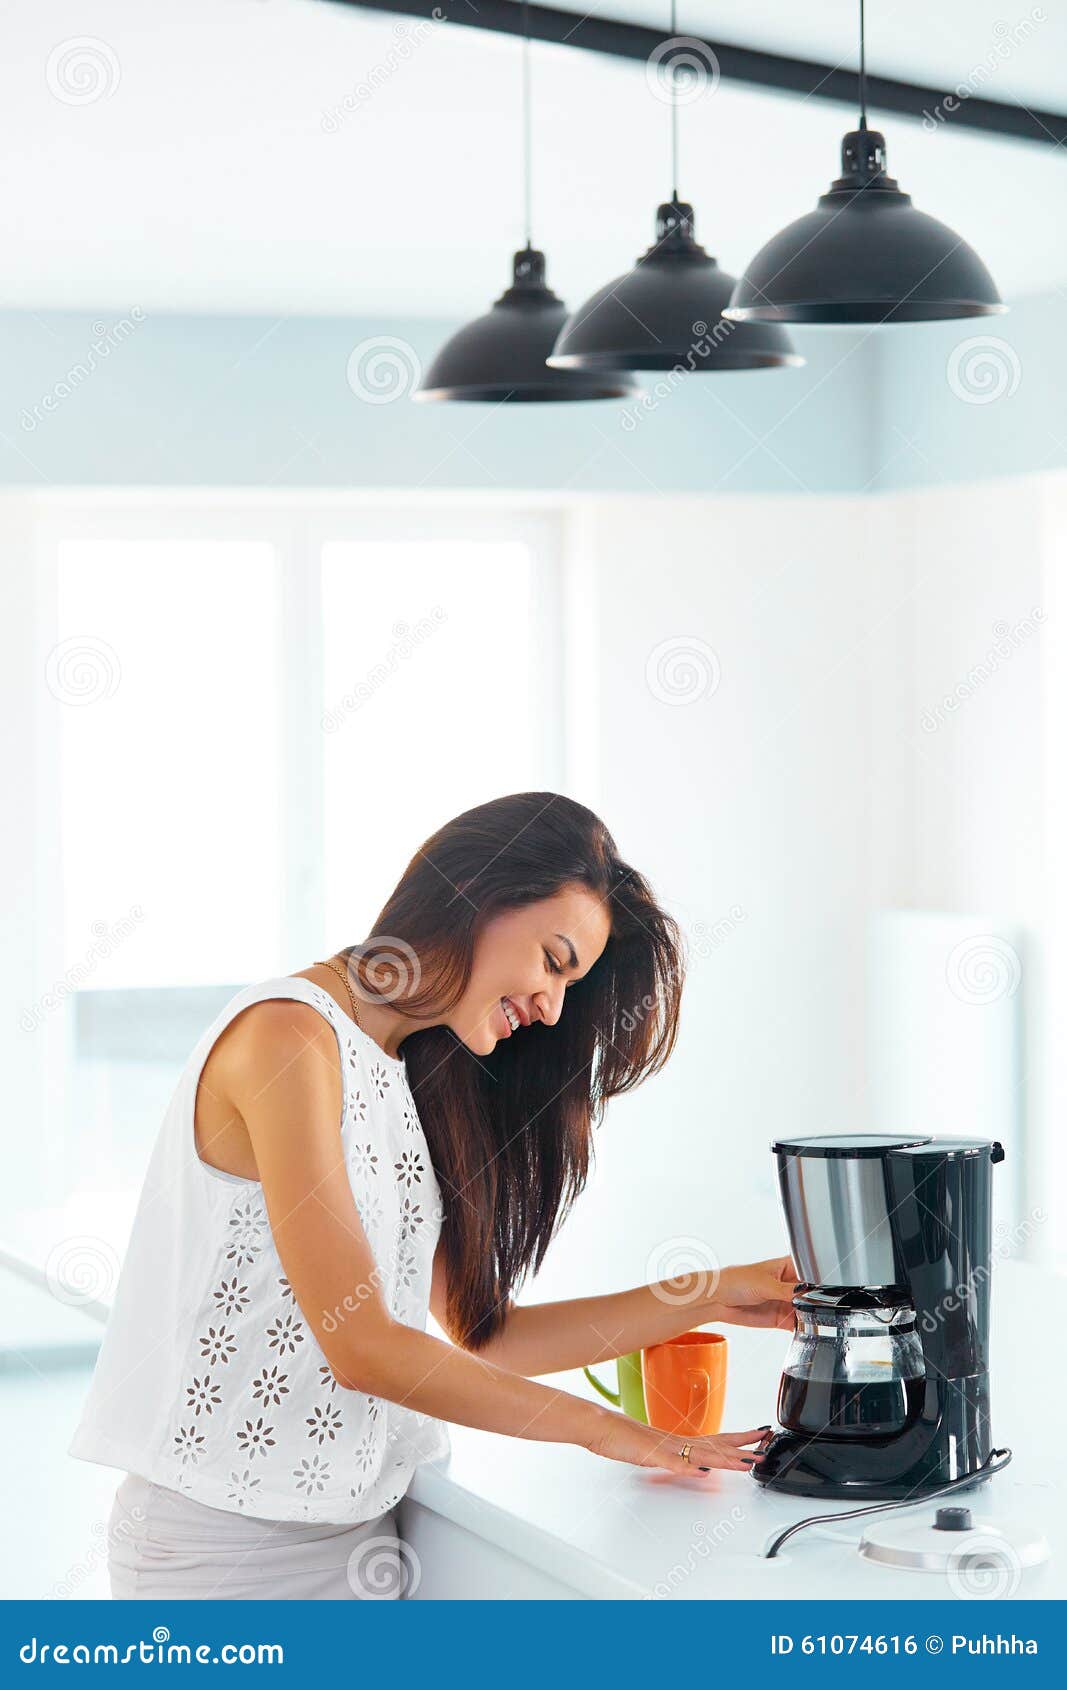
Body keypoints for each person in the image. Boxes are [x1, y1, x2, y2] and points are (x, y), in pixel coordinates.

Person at [70, 791, 794, 1599]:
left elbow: (486, 1337)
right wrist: (608, 1432)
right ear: (478, 896)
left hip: (366, 1535)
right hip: (223, 1556)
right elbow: (365, 1348)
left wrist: (713, 1294)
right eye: (554, 961)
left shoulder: (407, 1066)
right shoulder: (290, 1036)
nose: (553, 1008)